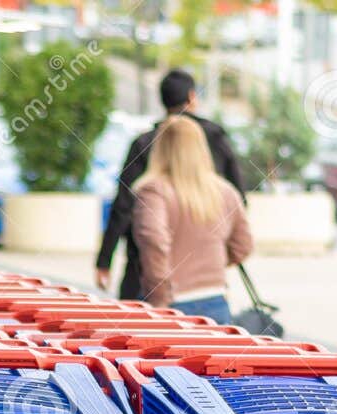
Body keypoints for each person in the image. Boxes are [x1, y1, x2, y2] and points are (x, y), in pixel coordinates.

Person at [96, 69, 245, 300]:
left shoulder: (143, 143)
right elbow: (239, 200)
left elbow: (122, 207)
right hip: (205, 287)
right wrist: (213, 255)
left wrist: (104, 260)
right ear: (192, 97)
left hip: (142, 274)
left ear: (163, 100)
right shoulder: (215, 137)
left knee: (137, 334)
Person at [130, 115, 252, 325]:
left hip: (171, 304)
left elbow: (154, 242)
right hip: (216, 301)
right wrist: (211, 263)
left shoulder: (153, 191)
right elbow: (243, 245)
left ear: (160, 149)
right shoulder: (225, 191)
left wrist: (159, 298)